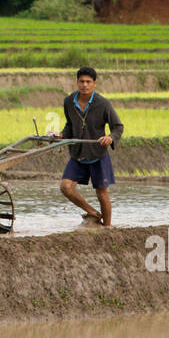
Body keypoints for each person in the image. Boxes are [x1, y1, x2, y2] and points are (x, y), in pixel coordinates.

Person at [49, 66, 123, 227]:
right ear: (77, 82)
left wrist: (110, 138)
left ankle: (108, 229)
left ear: (94, 84)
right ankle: (93, 213)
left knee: (102, 194)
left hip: (98, 154)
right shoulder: (69, 101)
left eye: (88, 82)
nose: (85, 85)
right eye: (82, 81)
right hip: (77, 154)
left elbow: (118, 127)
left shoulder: (103, 104)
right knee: (65, 187)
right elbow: (71, 125)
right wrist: (61, 135)